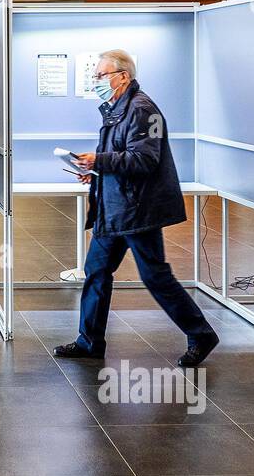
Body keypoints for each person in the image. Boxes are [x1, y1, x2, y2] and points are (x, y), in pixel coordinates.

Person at [56, 49, 219, 368]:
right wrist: (94, 171)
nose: (96, 82)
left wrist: (99, 160)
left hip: (136, 212)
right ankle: (89, 341)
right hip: (113, 208)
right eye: (95, 76)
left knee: (155, 276)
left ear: (122, 76)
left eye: (100, 76)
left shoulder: (144, 110)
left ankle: (201, 333)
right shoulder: (117, 108)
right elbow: (121, 157)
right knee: (97, 272)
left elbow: (145, 159)